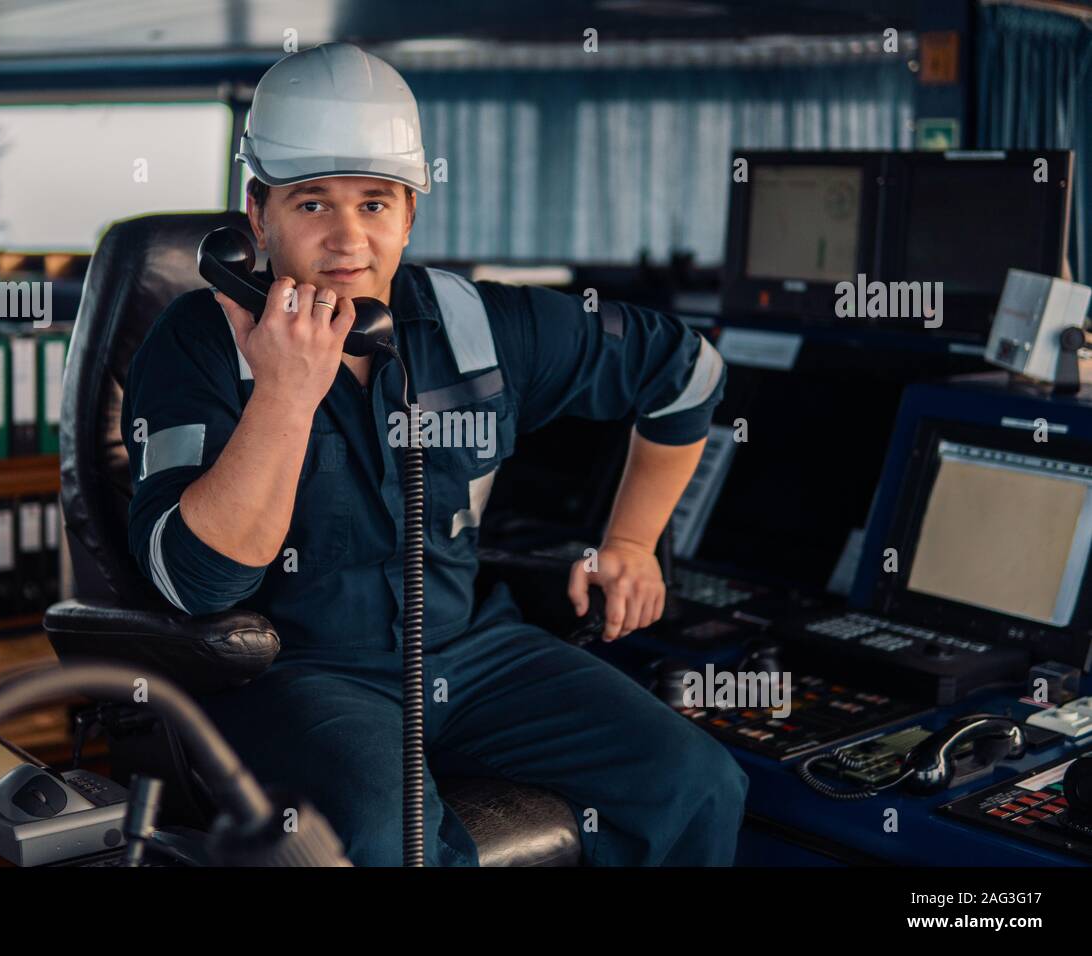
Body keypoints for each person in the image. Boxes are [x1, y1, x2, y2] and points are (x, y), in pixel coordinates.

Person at [121, 41, 748, 866]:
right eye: (312, 204)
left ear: (411, 213)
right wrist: (284, 393)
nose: (349, 238)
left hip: (474, 653)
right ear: (258, 215)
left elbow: (686, 373)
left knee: (698, 781)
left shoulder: (479, 327)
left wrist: (631, 542)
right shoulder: (200, 345)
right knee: (395, 843)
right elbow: (195, 582)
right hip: (297, 677)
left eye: (375, 204)